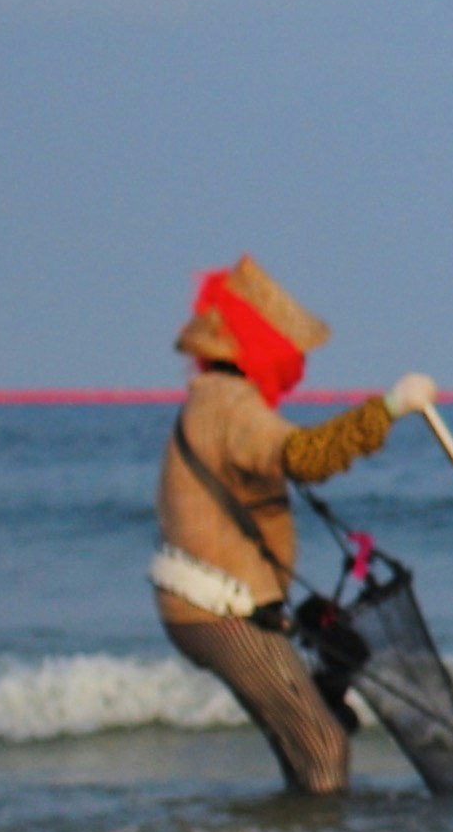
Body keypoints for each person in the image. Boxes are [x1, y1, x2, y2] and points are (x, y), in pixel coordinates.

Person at [149, 257, 434, 796]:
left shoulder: (212, 401)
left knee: (300, 741)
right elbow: (305, 455)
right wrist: (391, 408)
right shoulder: (232, 405)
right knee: (325, 746)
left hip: (206, 606)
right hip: (221, 613)